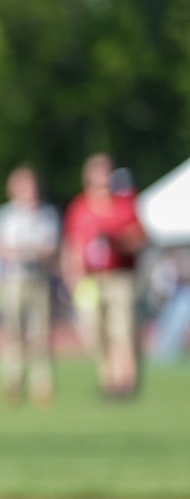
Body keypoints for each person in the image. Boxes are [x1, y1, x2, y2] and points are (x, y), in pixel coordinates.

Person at [63, 153, 148, 398]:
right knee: (95, 332)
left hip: (120, 277)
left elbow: (140, 239)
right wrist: (73, 276)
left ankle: (127, 381)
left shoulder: (126, 204)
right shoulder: (80, 207)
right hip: (91, 280)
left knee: (123, 331)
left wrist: (116, 240)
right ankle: (108, 378)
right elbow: (73, 245)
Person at [0, 164, 60, 405]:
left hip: (38, 279)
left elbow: (49, 248)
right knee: (13, 333)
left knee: (41, 334)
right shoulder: (5, 215)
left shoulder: (46, 214)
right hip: (14, 279)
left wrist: (30, 252)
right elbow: (1, 247)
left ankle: (43, 383)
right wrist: (23, 251)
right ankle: (13, 380)